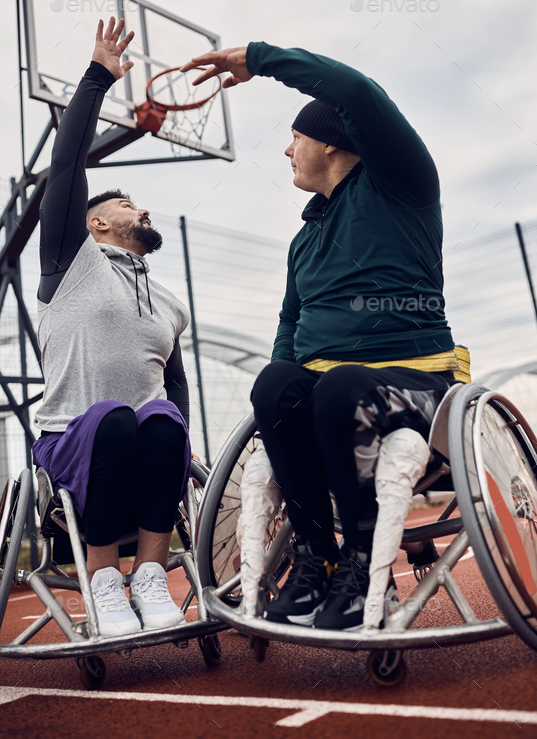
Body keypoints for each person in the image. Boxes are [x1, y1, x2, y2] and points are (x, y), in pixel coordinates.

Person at [182, 42, 467, 630]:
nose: (287, 149)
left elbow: (357, 92)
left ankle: (366, 563)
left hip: (416, 388)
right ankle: (318, 557)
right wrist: (280, 384)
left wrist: (259, 58)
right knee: (277, 381)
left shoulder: (400, 186)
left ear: (332, 141)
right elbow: (290, 327)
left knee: (338, 388)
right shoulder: (304, 240)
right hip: (333, 394)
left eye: (296, 137)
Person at [33, 18, 191, 637]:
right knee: (115, 416)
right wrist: (98, 78)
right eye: (127, 205)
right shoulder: (72, 262)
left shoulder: (171, 302)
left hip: (144, 447)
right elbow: (67, 169)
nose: (141, 209)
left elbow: (175, 387)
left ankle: (150, 578)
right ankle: (102, 579)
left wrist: (185, 438)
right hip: (70, 444)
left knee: (159, 417)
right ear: (95, 224)